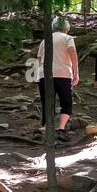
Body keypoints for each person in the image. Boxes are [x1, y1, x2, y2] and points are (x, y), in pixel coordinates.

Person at [37, 14, 79, 143]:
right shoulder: (68, 38)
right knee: (66, 103)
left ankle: (46, 129)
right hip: (63, 75)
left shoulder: (45, 40)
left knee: (47, 102)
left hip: (45, 75)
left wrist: (39, 74)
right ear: (66, 27)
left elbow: (39, 60)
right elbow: (73, 55)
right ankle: (61, 129)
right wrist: (76, 73)